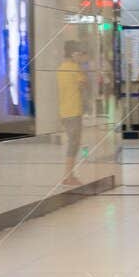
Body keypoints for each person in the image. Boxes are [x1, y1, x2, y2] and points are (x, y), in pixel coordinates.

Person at [56, 41, 86, 185]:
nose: (80, 56)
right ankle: (68, 176)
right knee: (73, 144)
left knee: (72, 142)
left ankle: (69, 174)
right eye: (78, 53)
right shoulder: (75, 68)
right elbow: (83, 84)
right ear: (73, 53)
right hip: (74, 110)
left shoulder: (61, 68)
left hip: (64, 111)